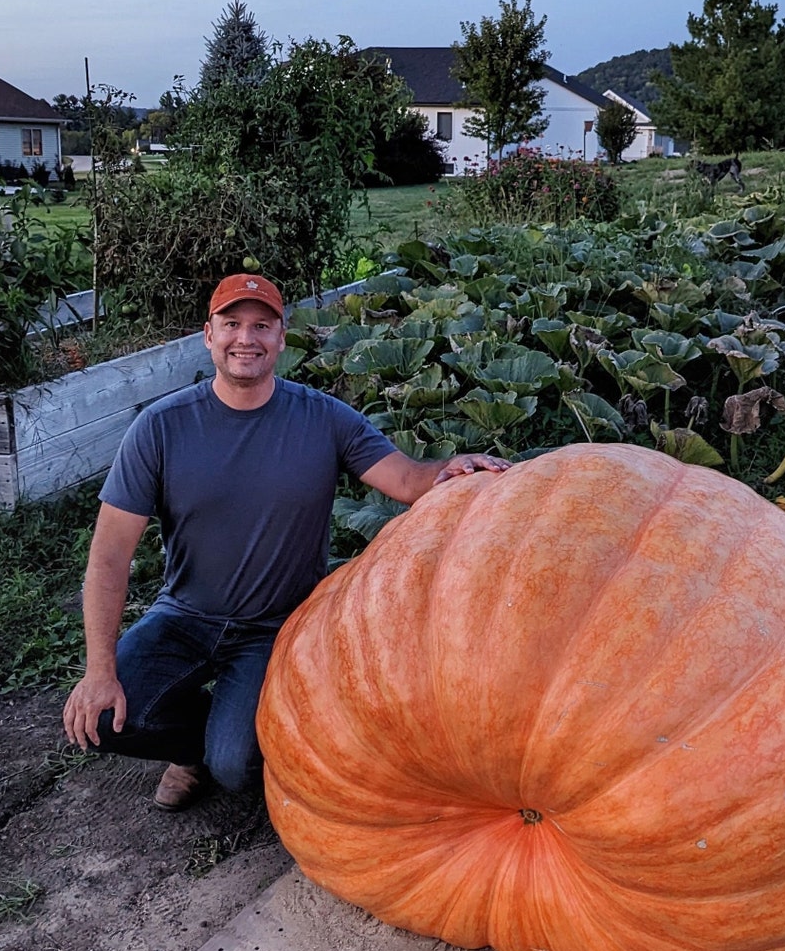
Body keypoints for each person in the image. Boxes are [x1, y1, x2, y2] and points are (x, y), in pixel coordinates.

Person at [62, 274, 510, 810]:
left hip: (276, 627)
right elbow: (109, 559)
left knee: (237, 766)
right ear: (208, 336)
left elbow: (409, 480)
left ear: (281, 337)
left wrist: (452, 468)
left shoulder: (324, 419)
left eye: (261, 326)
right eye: (231, 324)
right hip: (184, 616)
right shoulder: (161, 428)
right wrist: (98, 671)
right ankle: (192, 749)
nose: (245, 338)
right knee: (104, 719)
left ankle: (220, 745)